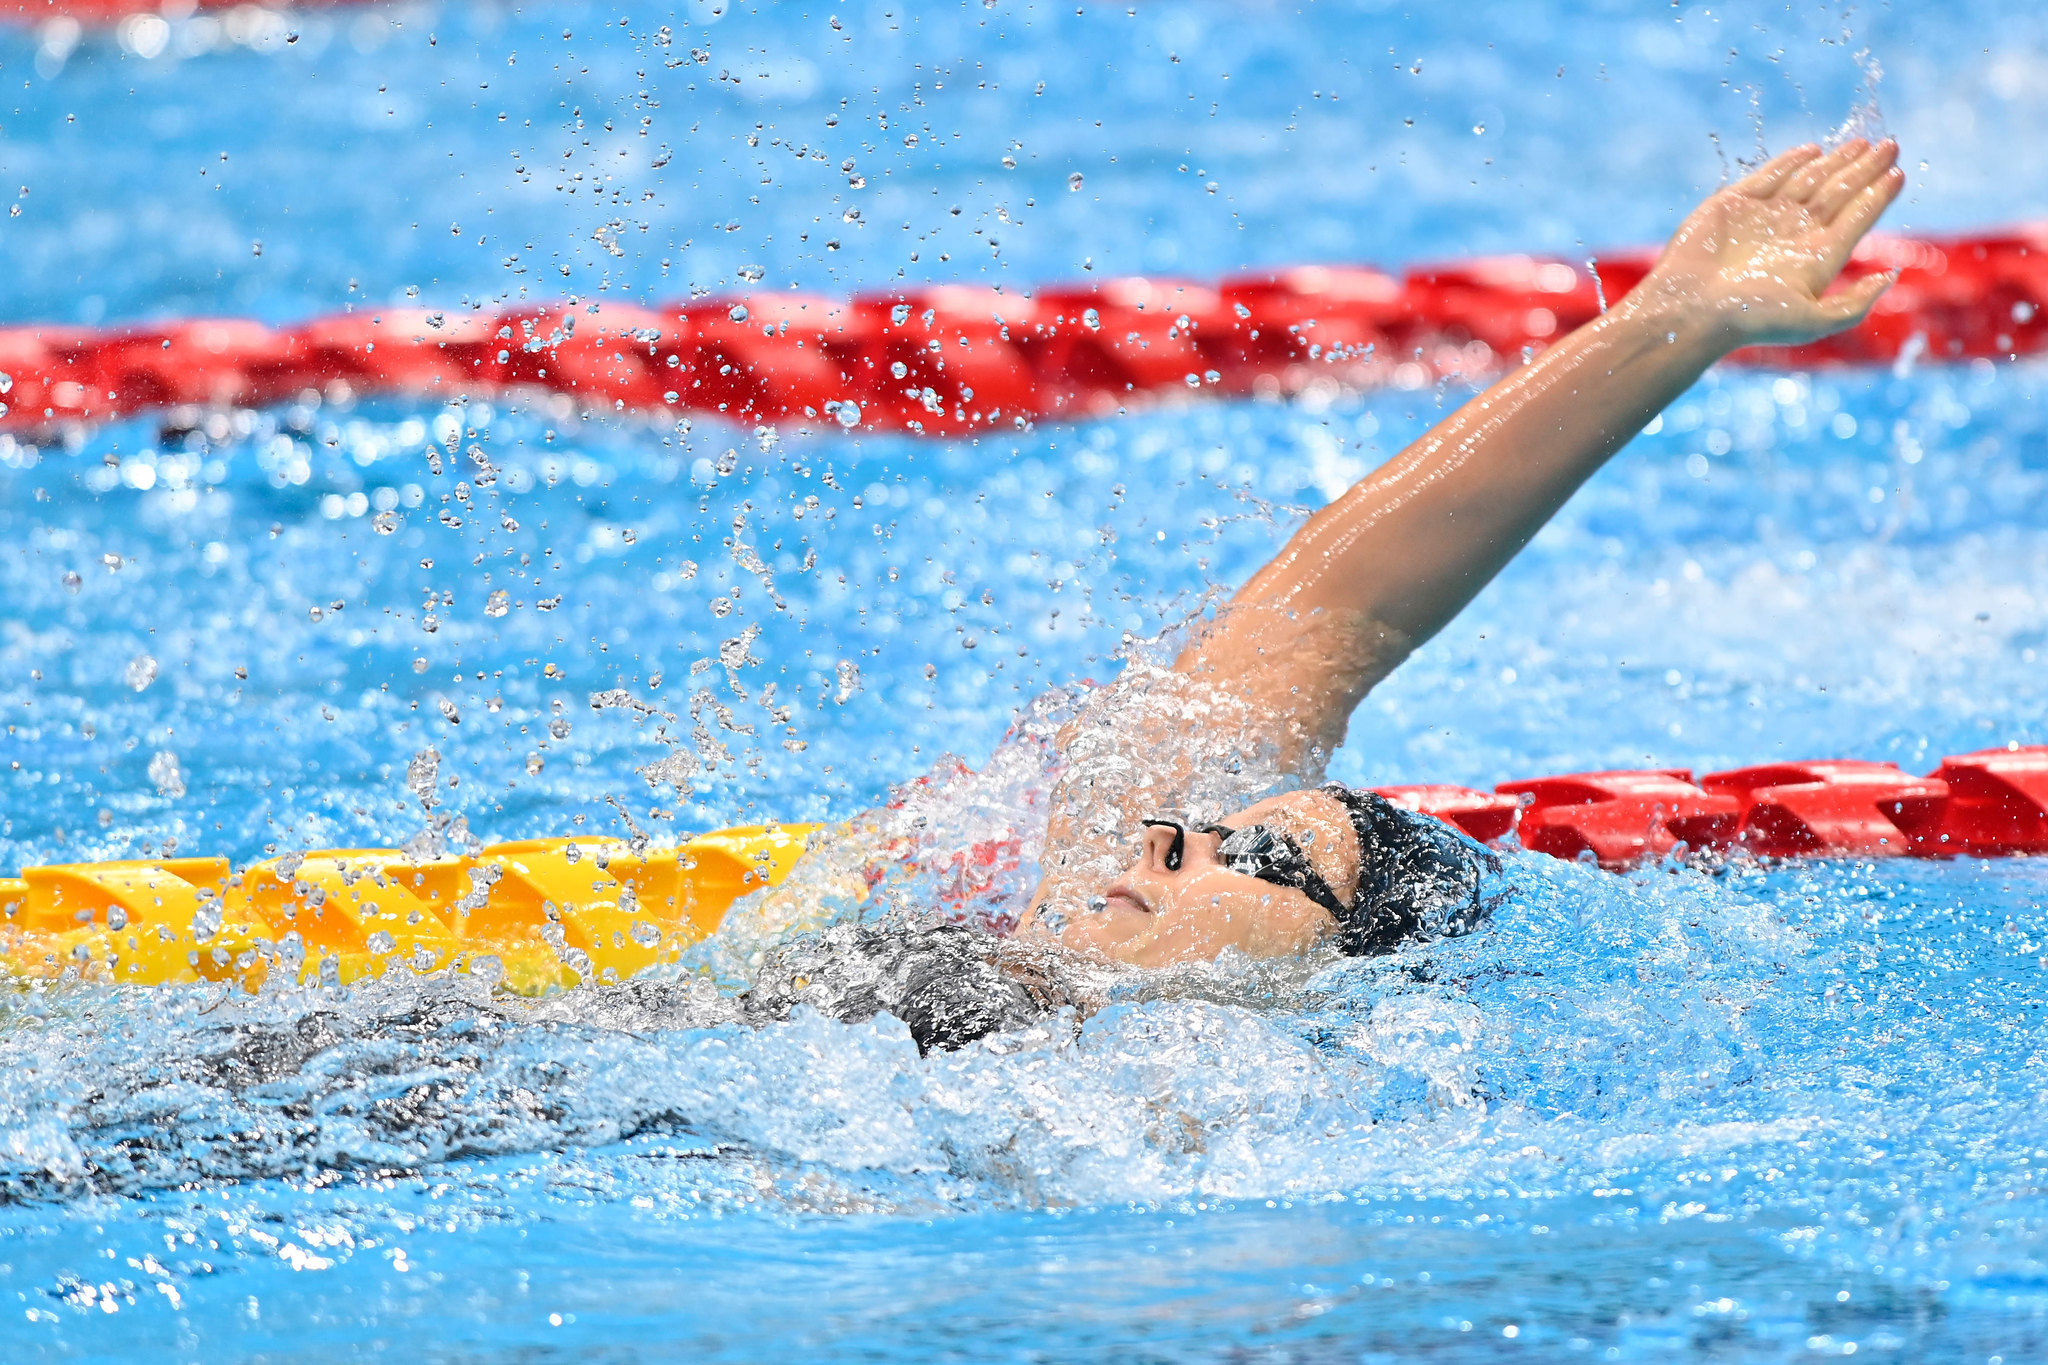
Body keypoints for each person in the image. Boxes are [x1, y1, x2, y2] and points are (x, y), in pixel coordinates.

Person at [743, 139, 1905, 1049]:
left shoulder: (1230, 1118)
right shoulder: (1066, 919)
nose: (1161, 840)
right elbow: (1341, 605)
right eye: (1196, 832)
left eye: (1249, 858)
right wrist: (1670, 320)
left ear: (1336, 976)